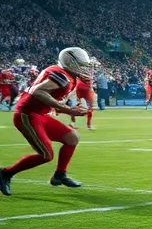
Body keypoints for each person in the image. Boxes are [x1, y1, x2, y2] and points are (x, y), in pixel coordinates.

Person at [0, 47, 94, 196]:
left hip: (40, 114)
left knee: (72, 138)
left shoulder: (67, 76)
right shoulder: (61, 75)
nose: (84, 69)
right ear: (70, 62)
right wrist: (67, 109)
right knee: (46, 155)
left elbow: (48, 101)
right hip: (28, 114)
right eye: (81, 65)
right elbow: (38, 91)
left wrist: (69, 109)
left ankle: (60, 175)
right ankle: (6, 173)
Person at [69, 57, 100, 130]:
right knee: (89, 108)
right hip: (86, 90)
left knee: (74, 107)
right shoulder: (87, 72)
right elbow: (90, 74)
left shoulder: (80, 71)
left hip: (79, 88)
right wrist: (93, 64)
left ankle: (73, 123)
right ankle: (88, 126)